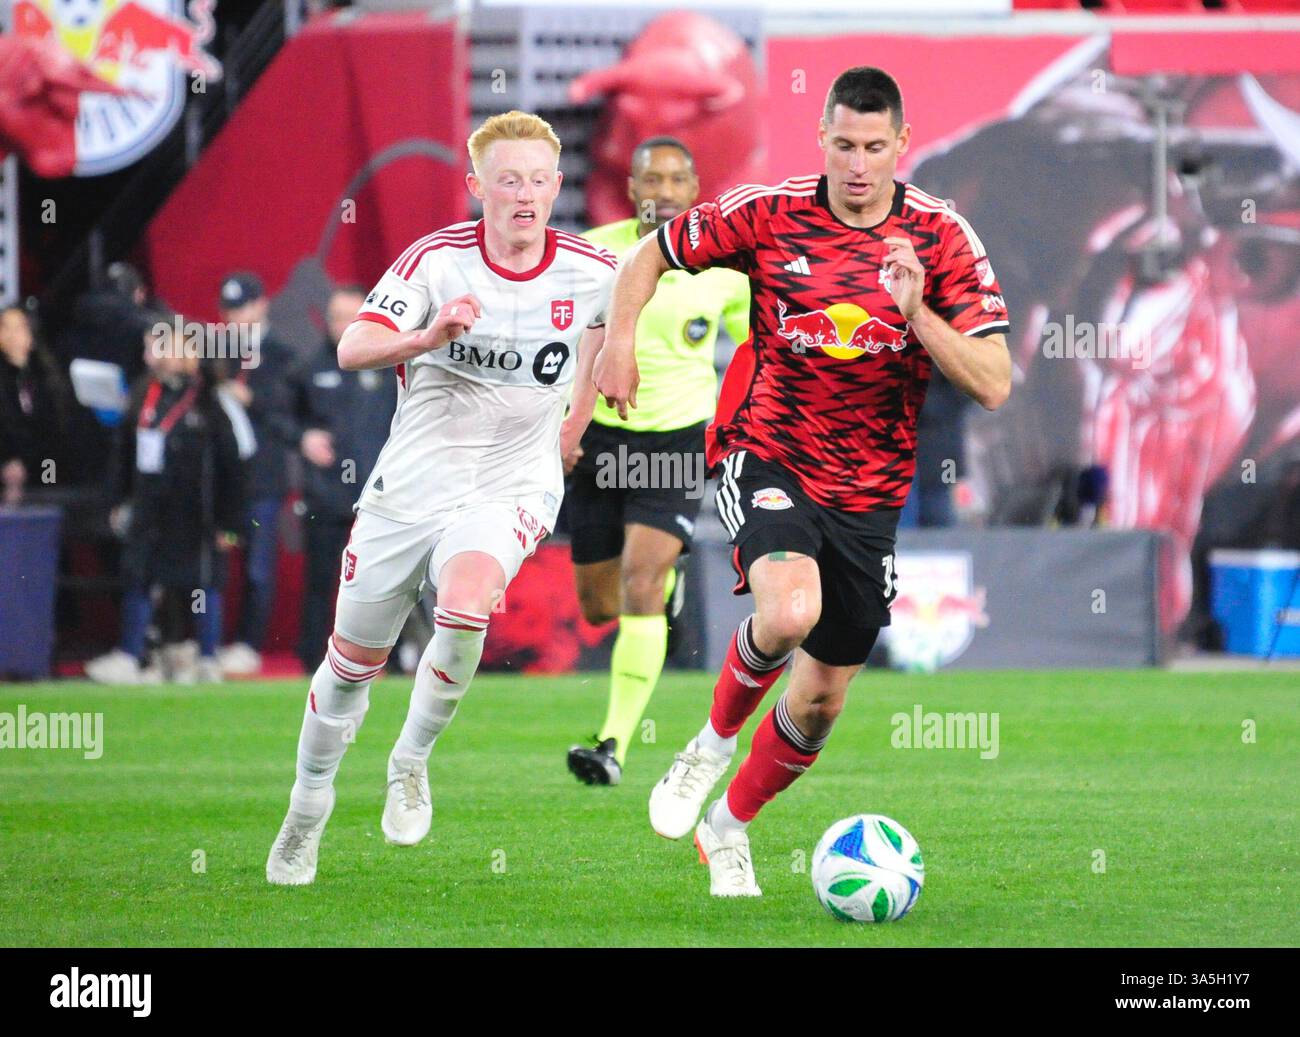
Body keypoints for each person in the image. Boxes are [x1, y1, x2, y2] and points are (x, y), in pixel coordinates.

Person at [594, 67, 1011, 897]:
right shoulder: (767, 211)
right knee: (789, 611)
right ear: (822, 138)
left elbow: (993, 381)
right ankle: (706, 747)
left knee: (820, 703)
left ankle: (729, 827)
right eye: (844, 145)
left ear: (901, 143)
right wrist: (620, 340)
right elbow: (652, 252)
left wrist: (918, 311)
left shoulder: (942, 236)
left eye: (874, 148)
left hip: (872, 491)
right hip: (767, 448)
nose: (858, 165)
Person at [266, 110, 616, 885]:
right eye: (507, 181)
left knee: (466, 605)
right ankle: (308, 803)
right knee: (351, 663)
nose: (524, 196)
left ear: (557, 186)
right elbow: (355, 344)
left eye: (536, 181)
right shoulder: (437, 261)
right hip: (413, 483)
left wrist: (588, 403)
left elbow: (607, 325)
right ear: (477, 188)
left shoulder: (595, 268)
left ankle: (411, 759)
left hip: (511, 482)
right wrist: (427, 338)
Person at [563, 136, 749, 785]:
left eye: (677, 180)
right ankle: (659, 592)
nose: (665, 191)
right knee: (597, 604)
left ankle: (611, 742)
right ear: (633, 189)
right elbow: (567, 343)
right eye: (653, 180)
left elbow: (757, 348)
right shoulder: (596, 251)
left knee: (642, 582)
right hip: (600, 440)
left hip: (675, 440)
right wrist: (566, 420)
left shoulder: (725, 265)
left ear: (695, 189)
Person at [84, 317, 245, 685]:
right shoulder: (143, 394)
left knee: (203, 582)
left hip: (198, 513)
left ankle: (207, 657)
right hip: (150, 509)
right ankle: (131, 654)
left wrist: (230, 524)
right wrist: (117, 500)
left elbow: (233, 467)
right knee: (139, 577)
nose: (167, 354)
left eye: (176, 346)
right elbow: (123, 453)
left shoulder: (210, 400)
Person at [291, 285, 396, 674]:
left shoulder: (389, 364)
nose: (345, 325)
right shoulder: (309, 368)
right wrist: (302, 437)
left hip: (381, 496)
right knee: (322, 581)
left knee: (384, 583)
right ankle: (312, 660)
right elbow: (280, 416)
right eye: (337, 317)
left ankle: (388, 658)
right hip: (326, 495)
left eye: (353, 317)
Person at [215, 273, 300, 676]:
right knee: (215, 559)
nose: (235, 317)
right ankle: (206, 643)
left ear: (261, 305)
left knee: (257, 566)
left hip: (263, 479)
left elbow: (287, 411)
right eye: (230, 310)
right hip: (224, 478)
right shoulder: (220, 353)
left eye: (242, 307)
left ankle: (249, 644)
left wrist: (252, 399)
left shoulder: (281, 353)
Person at [0, 306, 68, 507]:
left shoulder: (47, 376)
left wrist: (48, 482)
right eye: (5, 327)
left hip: (44, 471)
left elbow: (56, 429)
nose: (12, 335)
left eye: (19, 328)